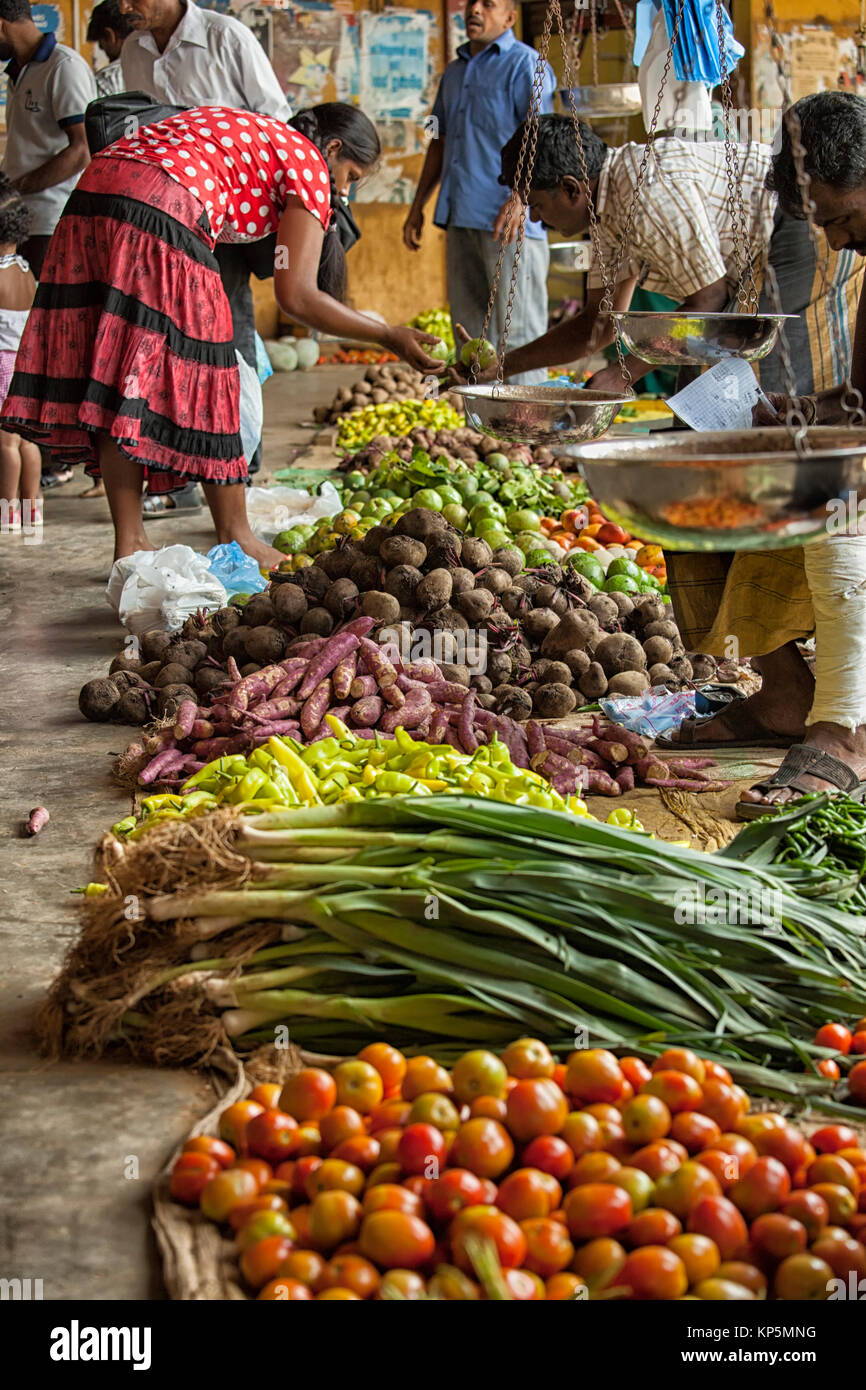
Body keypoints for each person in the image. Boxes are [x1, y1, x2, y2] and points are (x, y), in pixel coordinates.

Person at [0, 103, 442, 568]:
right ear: (332, 148)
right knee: (215, 372)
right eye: (349, 175)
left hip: (93, 195)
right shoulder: (309, 163)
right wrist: (388, 334)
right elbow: (298, 297)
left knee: (118, 374)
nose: (344, 192)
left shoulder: (257, 132)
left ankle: (129, 542)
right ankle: (237, 536)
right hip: (163, 208)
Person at [119, 0, 293, 512]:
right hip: (162, 220)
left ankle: (239, 461)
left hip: (226, 221)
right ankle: (181, 471)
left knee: (228, 342)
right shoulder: (134, 49)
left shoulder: (226, 37)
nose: (127, 7)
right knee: (167, 340)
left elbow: (274, 120)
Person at [403, 0, 554, 385]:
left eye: (489, 4)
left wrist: (521, 198)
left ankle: (525, 428)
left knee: (517, 336)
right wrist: (418, 204)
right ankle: (478, 431)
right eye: (471, 2)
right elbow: (436, 138)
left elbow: (539, 137)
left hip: (508, 219)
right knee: (468, 335)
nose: (475, 9)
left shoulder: (526, 65)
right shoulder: (453, 73)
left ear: (509, 17)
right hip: (460, 215)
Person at [0, 0, 95, 279]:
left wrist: (18, 188)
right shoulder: (17, 71)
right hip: (22, 221)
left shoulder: (63, 66)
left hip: (52, 221)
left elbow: (82, 150)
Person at [0, 176, 40, 535]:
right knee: (26, 441)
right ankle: (33, 509)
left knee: (5, 443)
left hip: (1, 368)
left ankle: (7, 510)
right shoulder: (26, 272)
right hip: (24, 365)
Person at [87, 0, 137, 98]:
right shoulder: (157, 65)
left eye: (101, 44)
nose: (102, 49)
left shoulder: (105, 81)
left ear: (109, 35)